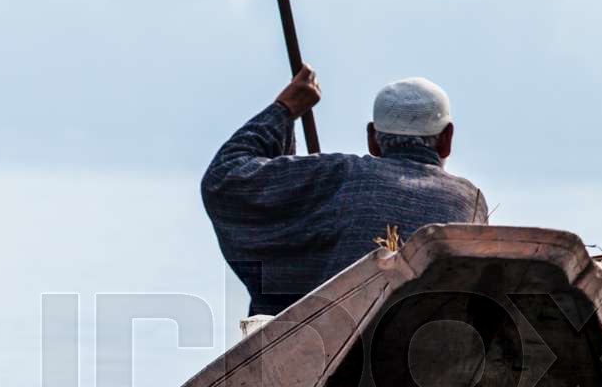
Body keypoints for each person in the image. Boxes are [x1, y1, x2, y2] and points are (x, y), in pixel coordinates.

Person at [201, 68, 488, 323]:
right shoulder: (470, 201)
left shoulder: (342, 175)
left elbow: (224, 179)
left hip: (333, 346)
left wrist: (285, 108)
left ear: (373, 139)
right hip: (431, 349)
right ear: (447, 139)